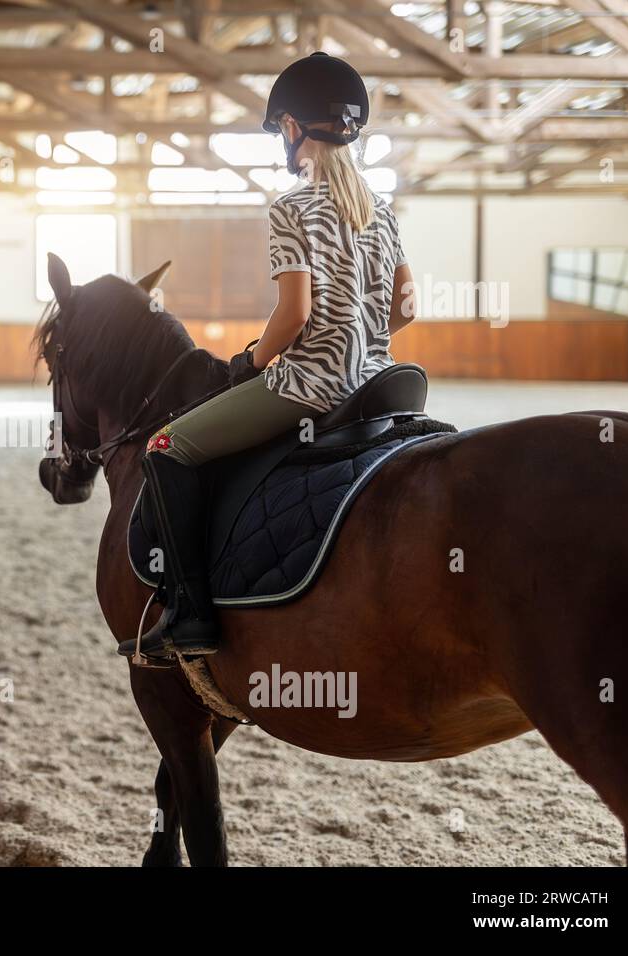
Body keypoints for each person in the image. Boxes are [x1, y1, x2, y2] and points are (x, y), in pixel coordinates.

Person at [124, 52, 417, 663]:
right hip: (377, 382)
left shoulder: (291, 207)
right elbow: (406, 308)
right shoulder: (382, 212)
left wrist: (254, 359)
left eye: (281, 128)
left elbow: (294, 316)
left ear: (292, 128)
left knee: (165, 448)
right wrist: (365, 334)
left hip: (309, 386)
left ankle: (191, 615)